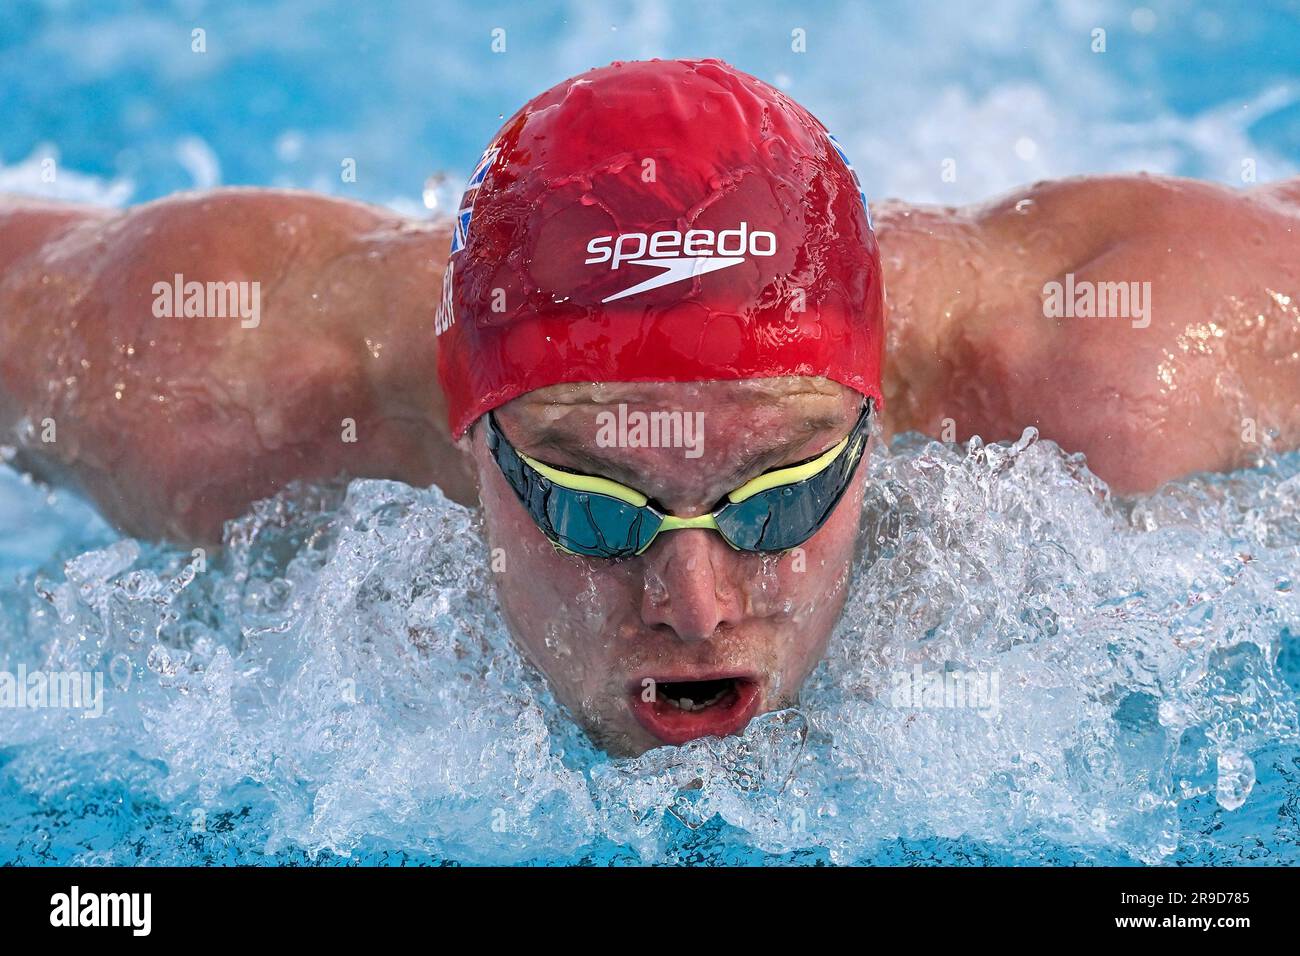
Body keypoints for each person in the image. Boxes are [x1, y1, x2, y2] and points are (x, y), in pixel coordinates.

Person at [1, 59, 1297, 754]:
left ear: (877, 409)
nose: (695, 601)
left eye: (781, 490)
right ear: (466, 429)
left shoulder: (1116, 366)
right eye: (589, 498)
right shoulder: (205, 389)